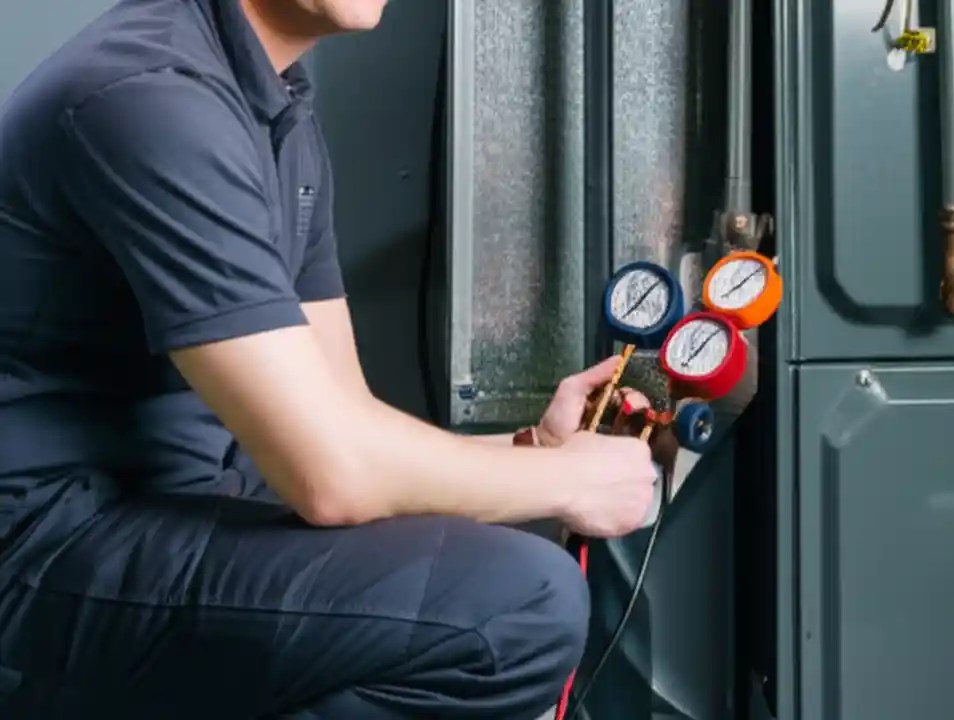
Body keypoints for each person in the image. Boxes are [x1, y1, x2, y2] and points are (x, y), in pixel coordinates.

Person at [0, 1, 659, 717]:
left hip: (183, 504)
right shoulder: (150, 97)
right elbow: (333, 474)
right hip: (46, 549)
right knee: (517, 607)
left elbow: (342, 418)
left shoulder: (279, 111)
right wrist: (557, 480)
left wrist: (531, 448)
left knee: (464, 572)